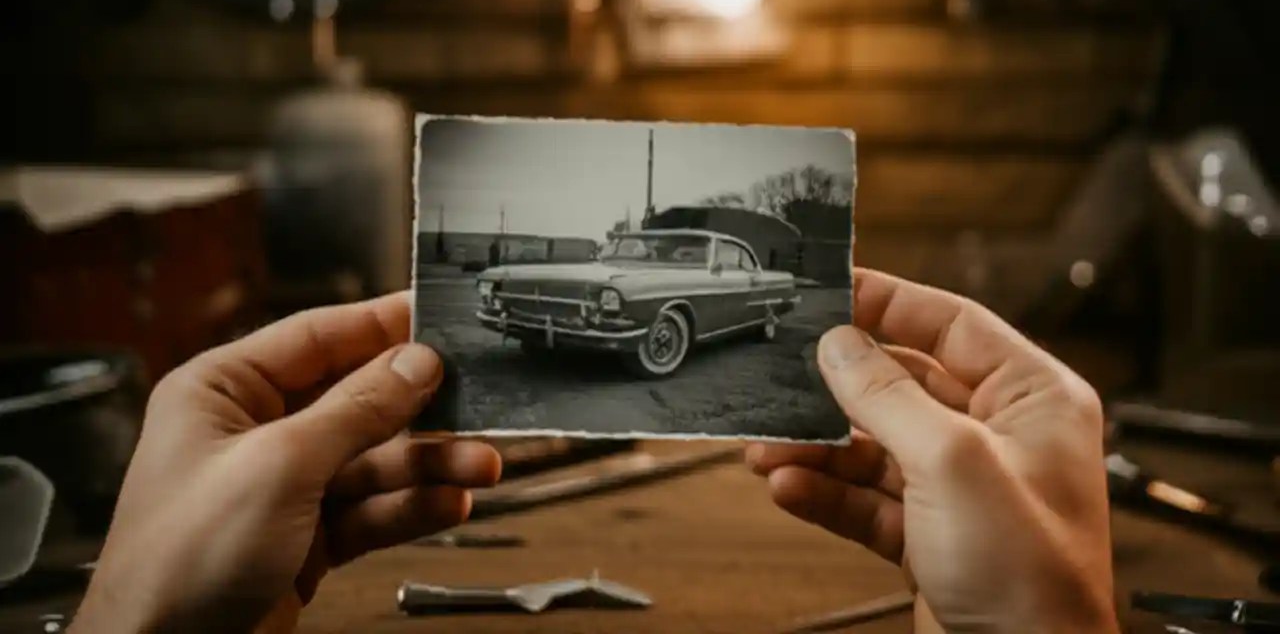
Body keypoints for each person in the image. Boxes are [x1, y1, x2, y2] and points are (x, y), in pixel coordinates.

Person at [68, 269, 1119, 633]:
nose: (640, 270)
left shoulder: (730, 281)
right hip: (572, 316)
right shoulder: (607, 271)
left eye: (663, 272)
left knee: (632, 314)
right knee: (592, 302)